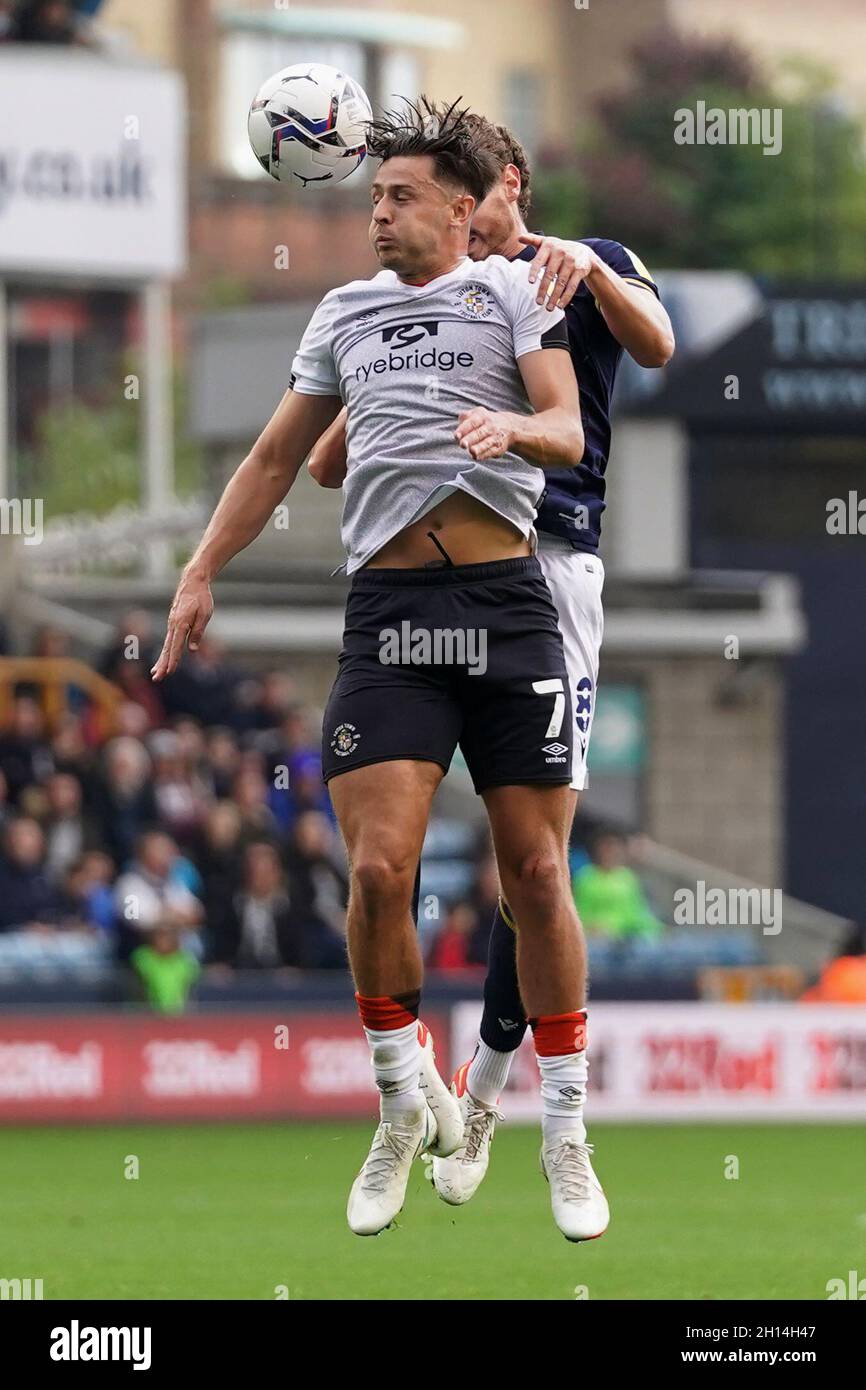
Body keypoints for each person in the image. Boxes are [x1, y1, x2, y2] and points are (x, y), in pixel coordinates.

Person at [152, 96, 596, 1241]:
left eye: (397, 197)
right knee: (375, 874)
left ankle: (563, 1131)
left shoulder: (512, 290)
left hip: (506, 607)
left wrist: (515, 434)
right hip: (392, 616)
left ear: (460, 210)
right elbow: (272, 456)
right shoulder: (342, 314)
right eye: (370, 198)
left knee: (537, 877)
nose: (377, 216)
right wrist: (201, 572)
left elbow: (566, 425)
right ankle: (404, 1099)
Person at [309, 112, 674, 1211]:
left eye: (475, 190)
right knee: (389, 853)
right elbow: (326, 454)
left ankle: (495, 1081)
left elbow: (656, 341)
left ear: (502, 187)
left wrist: (591, 281)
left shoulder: (568, 267)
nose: (438, 210)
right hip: (420, 580)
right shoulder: (419, 298)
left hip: (548, 570)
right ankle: (411, 1072)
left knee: (537, 866)